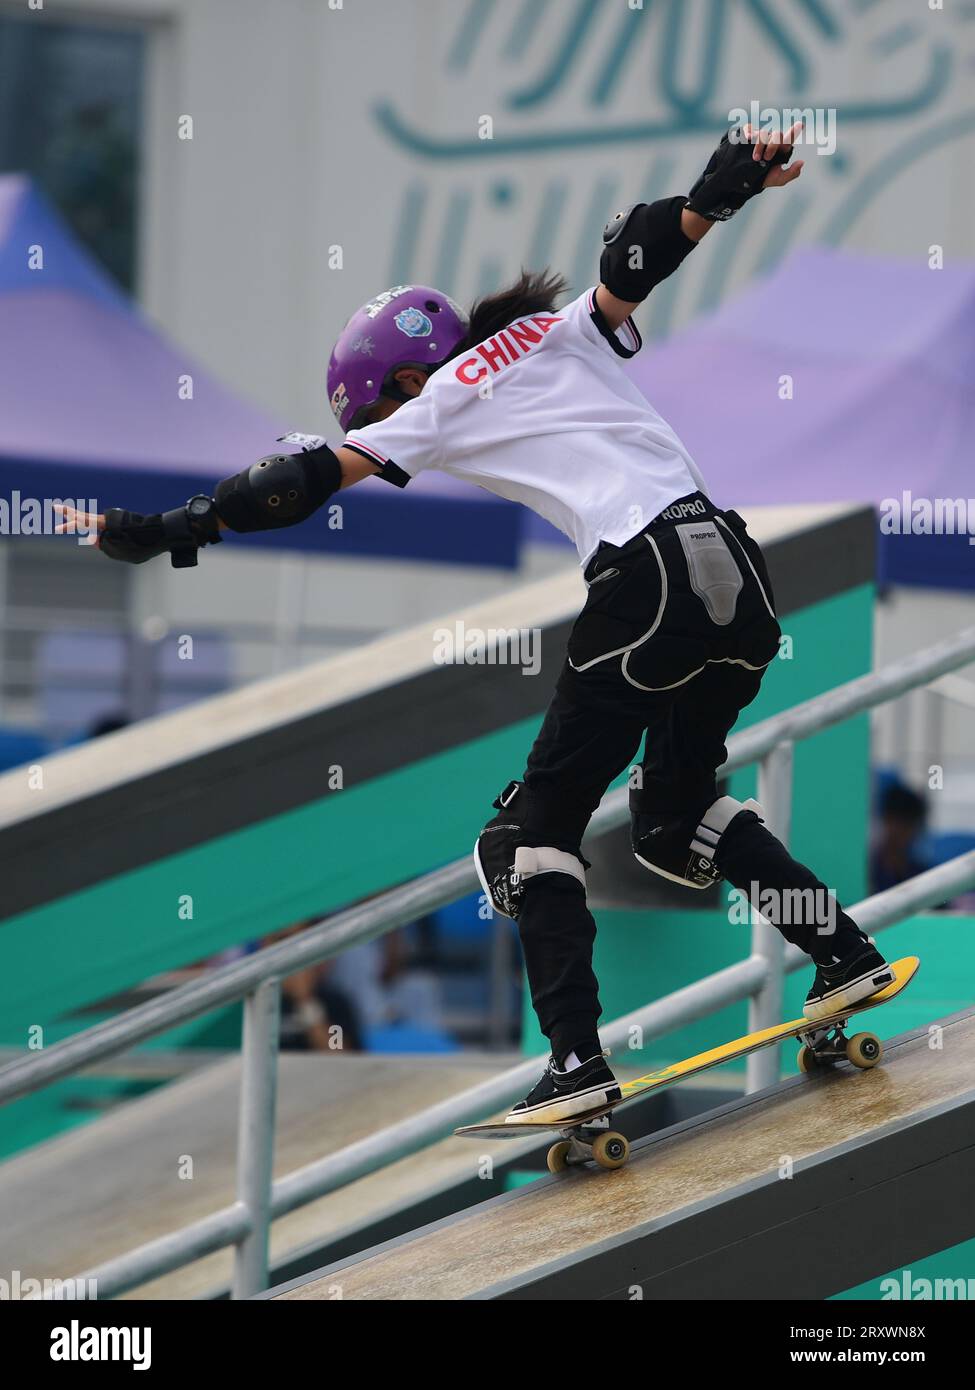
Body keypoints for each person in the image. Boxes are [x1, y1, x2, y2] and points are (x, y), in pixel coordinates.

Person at [57, 122, 897, 1127]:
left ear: (403, 384)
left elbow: (301, 477)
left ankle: (578, 1061)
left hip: (648, 581)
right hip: (739, 573)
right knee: (674, 810)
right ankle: (842, 951)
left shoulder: (441, 396)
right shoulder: (555, 330)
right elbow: (635, 258)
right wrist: (721, 189)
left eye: (376, 411)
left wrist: (167, 529)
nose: (376, 428)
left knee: (528, 835)